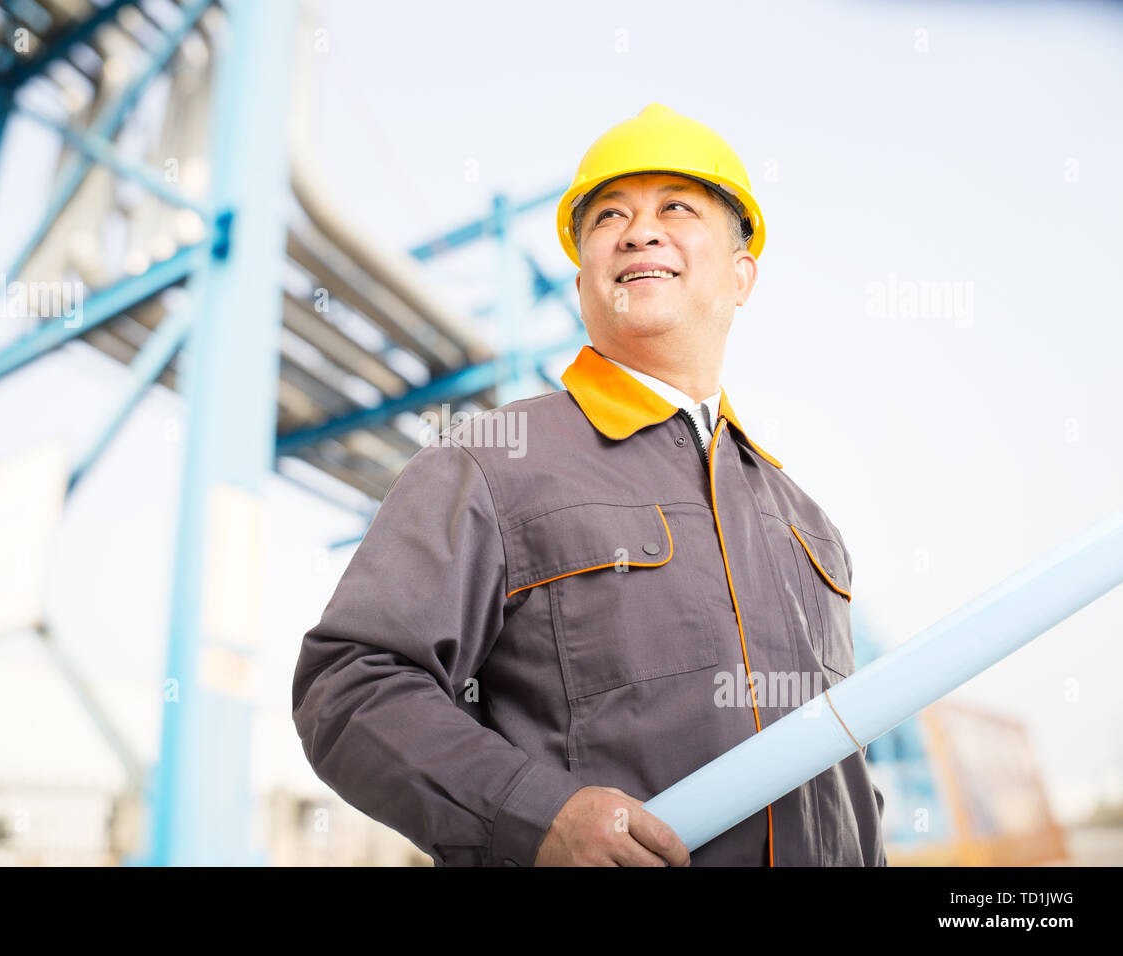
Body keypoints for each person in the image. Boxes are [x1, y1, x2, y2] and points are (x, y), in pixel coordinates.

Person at [291, 103, 887, 867]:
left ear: (743, 276)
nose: (640, 230)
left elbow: (846, 779)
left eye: (677, 206)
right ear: (583, 282)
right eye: (610, 216)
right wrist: (535, 816)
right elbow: (349, 685)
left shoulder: (806, 522)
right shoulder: (493, 462)